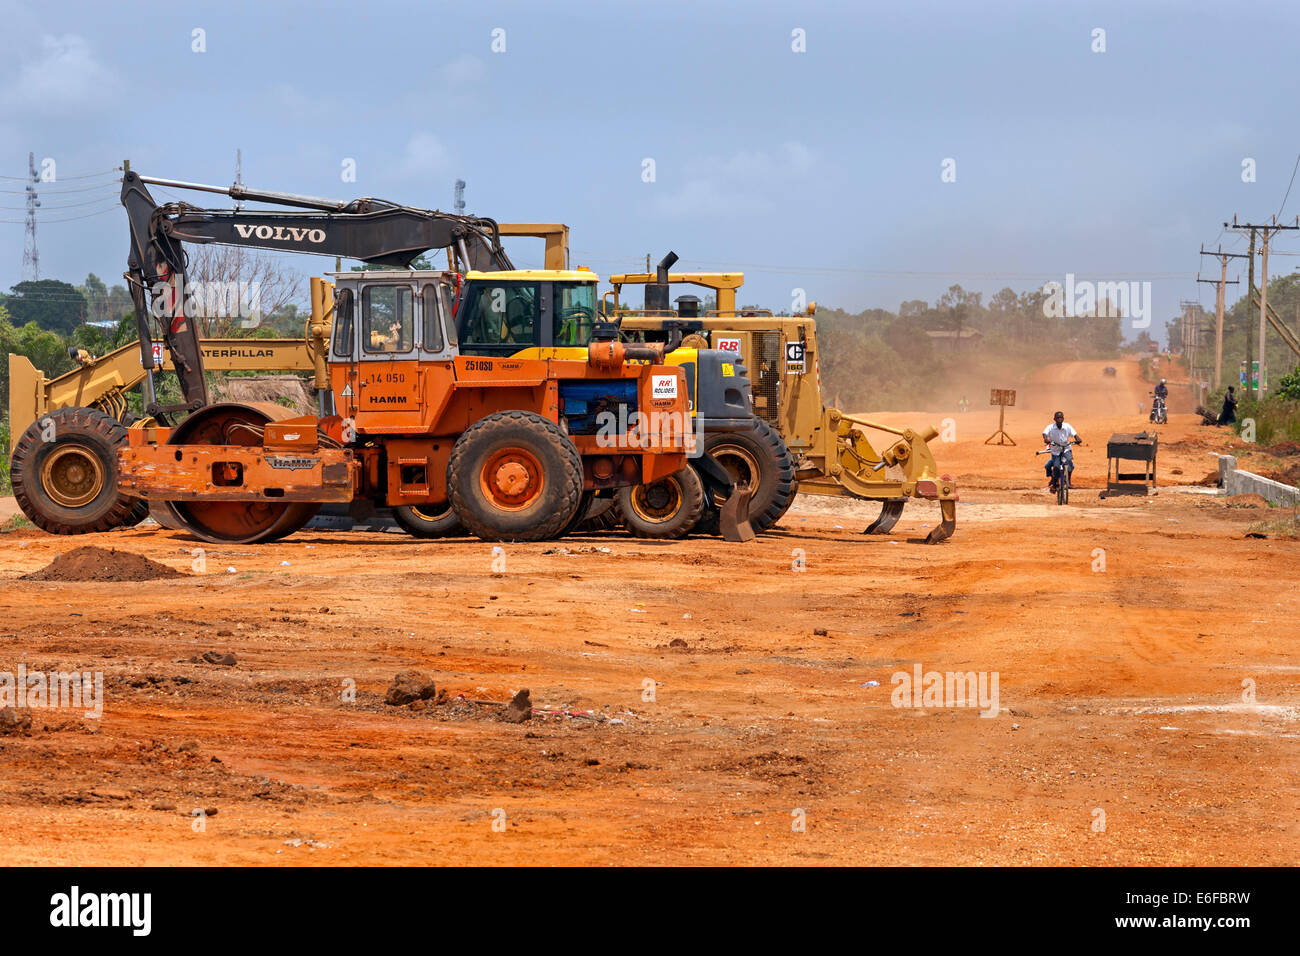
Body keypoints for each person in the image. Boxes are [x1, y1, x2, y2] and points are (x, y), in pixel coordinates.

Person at [1042, 411, 1083, 492]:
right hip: (1056, 451)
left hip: (1066, 449)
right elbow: (1044, 433)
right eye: (1058, 418)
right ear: (1054, 419)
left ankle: (1068, 482)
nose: (1059, 419)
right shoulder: (1050, 427)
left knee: (1069, 464)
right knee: (1056, 467)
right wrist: (1046, 439)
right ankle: (1054, 484)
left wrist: (1077, 439)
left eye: (1061, 417)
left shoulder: (1067, 426)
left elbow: (1074, 434)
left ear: (1063, 418)